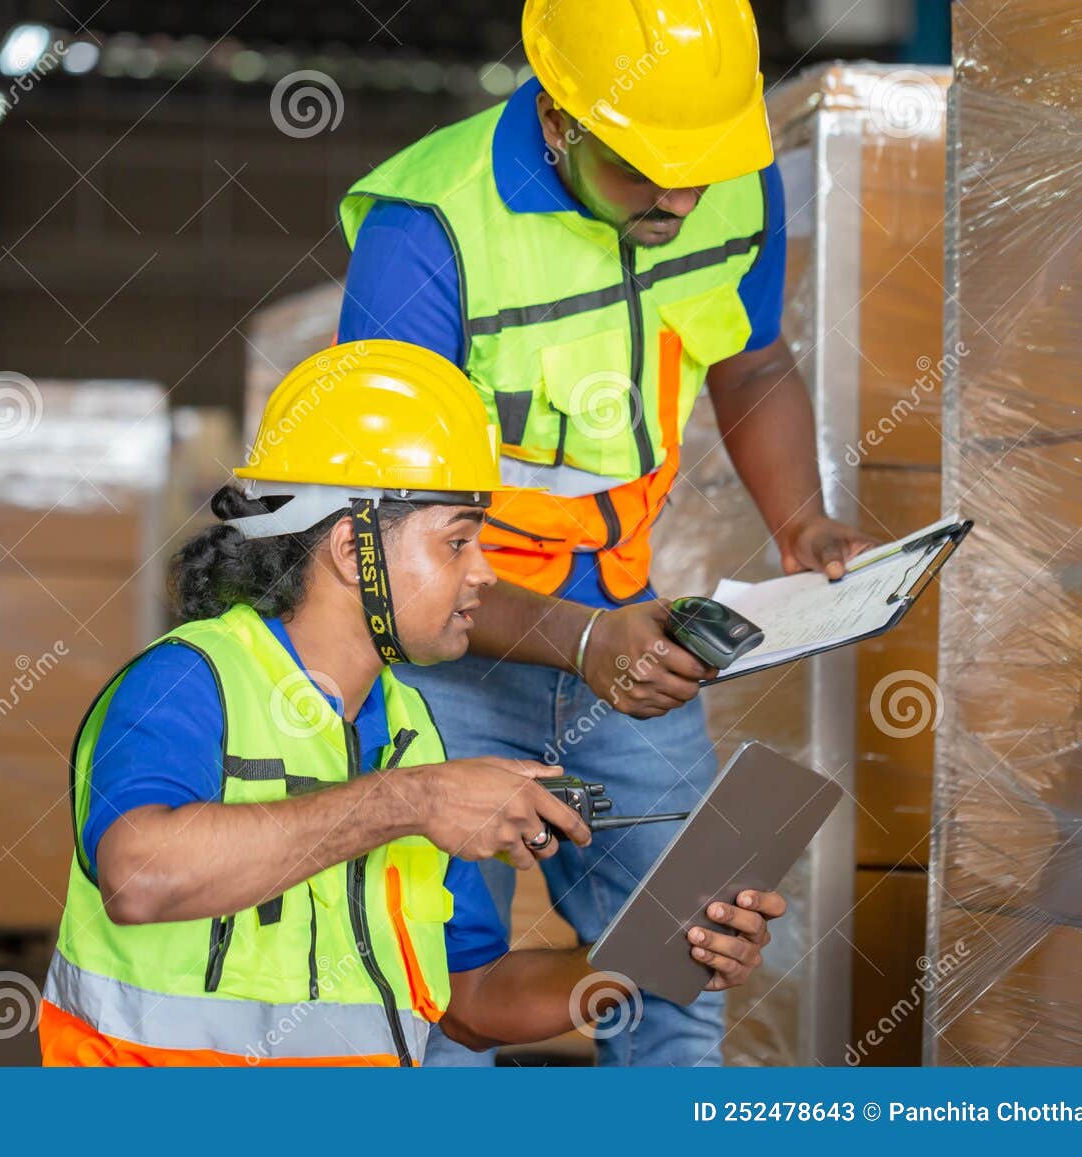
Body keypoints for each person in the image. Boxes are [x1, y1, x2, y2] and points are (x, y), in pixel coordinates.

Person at [335, 0, 876, 1066]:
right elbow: (389, 544)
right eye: (644, 170)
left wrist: (801, 521)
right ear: (557, 121)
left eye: (700, 170)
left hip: (620, 622)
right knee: (433, 988)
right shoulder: (428, 229)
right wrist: (583, 640)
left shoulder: (731, 183)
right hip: (441, 648)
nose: (680, 197)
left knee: (682, 961)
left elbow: (752, 356)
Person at [38, 339, 787, 1066]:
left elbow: (472, 1002)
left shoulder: (410, 729)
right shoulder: (188, 682)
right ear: (351, 549)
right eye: (457, 542)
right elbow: (140, 878)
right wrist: (411, 801)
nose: (484, 573)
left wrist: (650, 951)